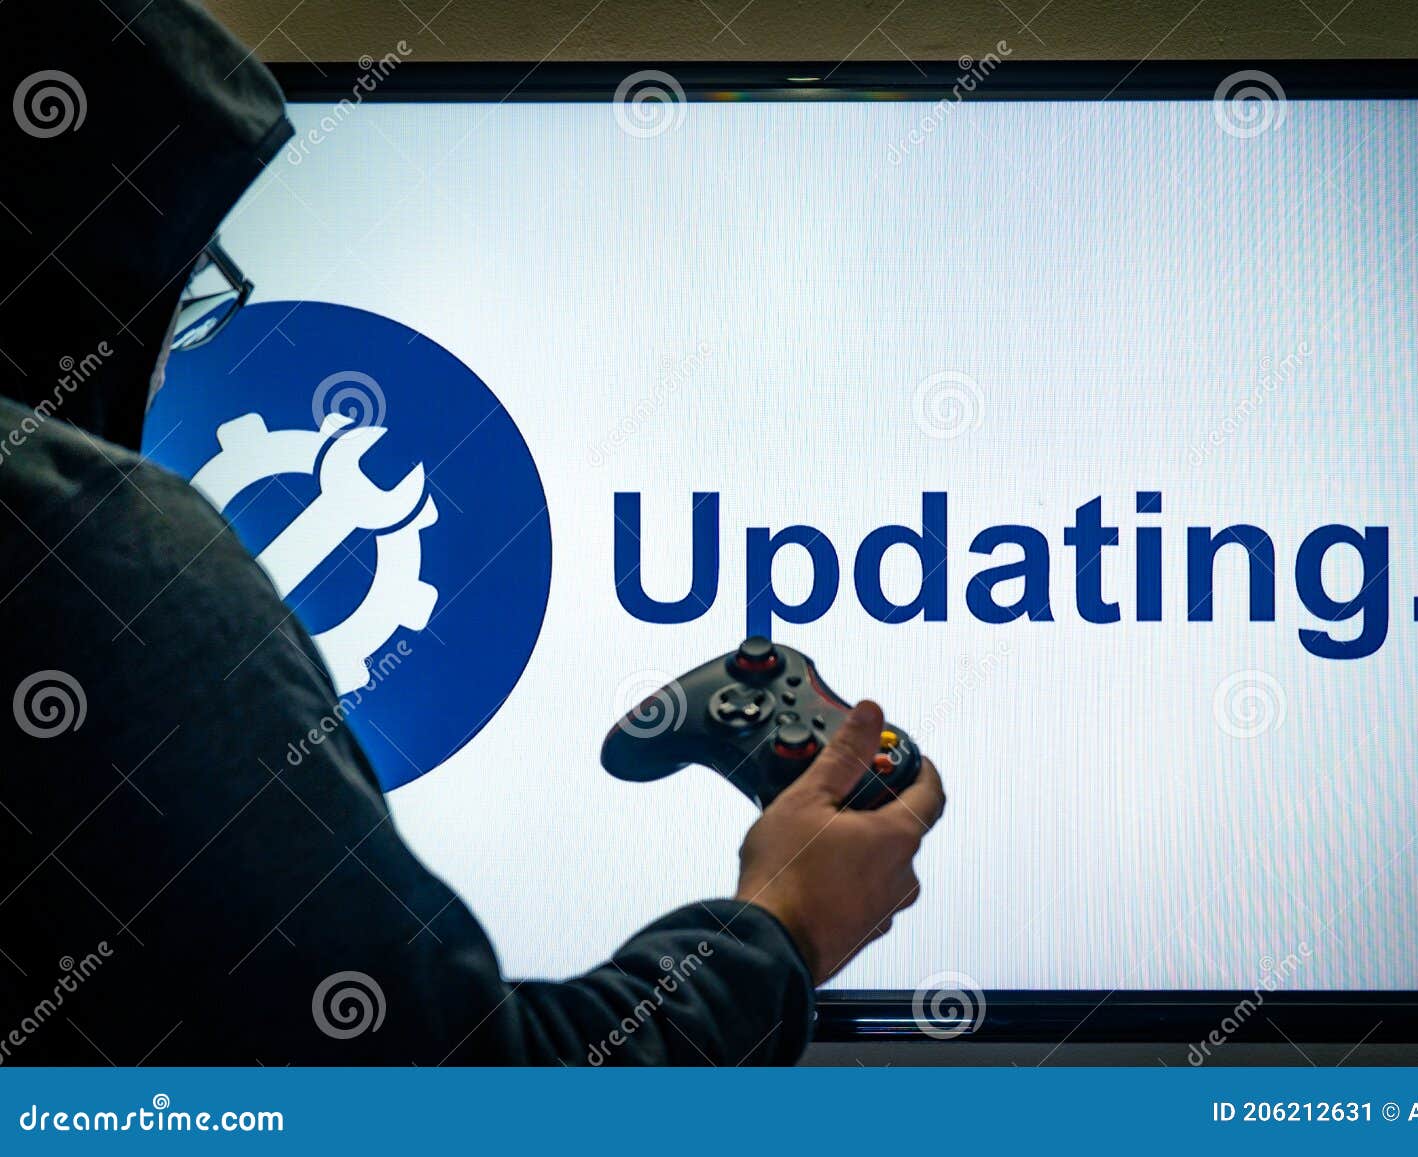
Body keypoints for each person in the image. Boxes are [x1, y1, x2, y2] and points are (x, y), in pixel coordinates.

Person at [0, 0, 944, 1064]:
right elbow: (447, 1098)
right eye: (177, 277)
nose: (171, 354)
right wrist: (785, 926)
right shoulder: (75, 544)